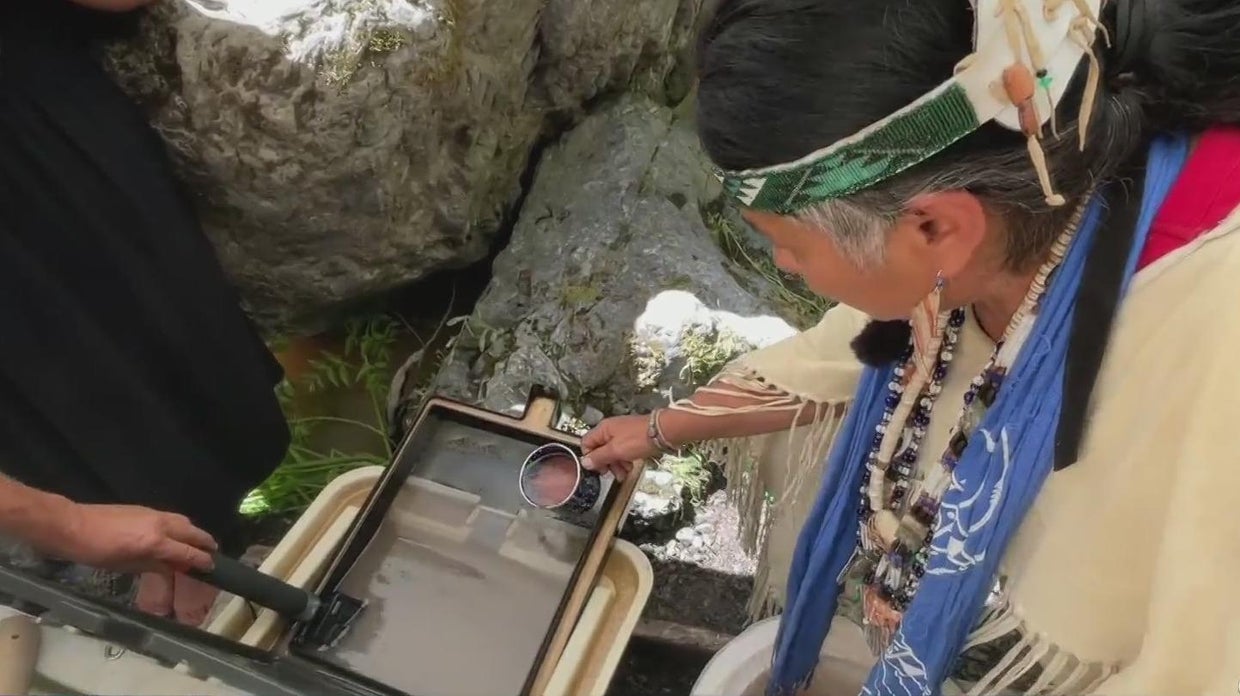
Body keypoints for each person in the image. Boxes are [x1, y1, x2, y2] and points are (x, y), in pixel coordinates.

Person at [583, 0, 1240, 693]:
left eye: (789, 242)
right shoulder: (1032, 177)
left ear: (936, 229)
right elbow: (849, 349)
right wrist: (663, 428)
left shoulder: (1212, 345)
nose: (783, 266)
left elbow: (1200, 661)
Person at [0, 0, 290, 626]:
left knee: (211, 403)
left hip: (47, 134)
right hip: (26, 326)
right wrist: (71, 526)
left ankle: (226, 545)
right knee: (133, 468)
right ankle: (195, 607)